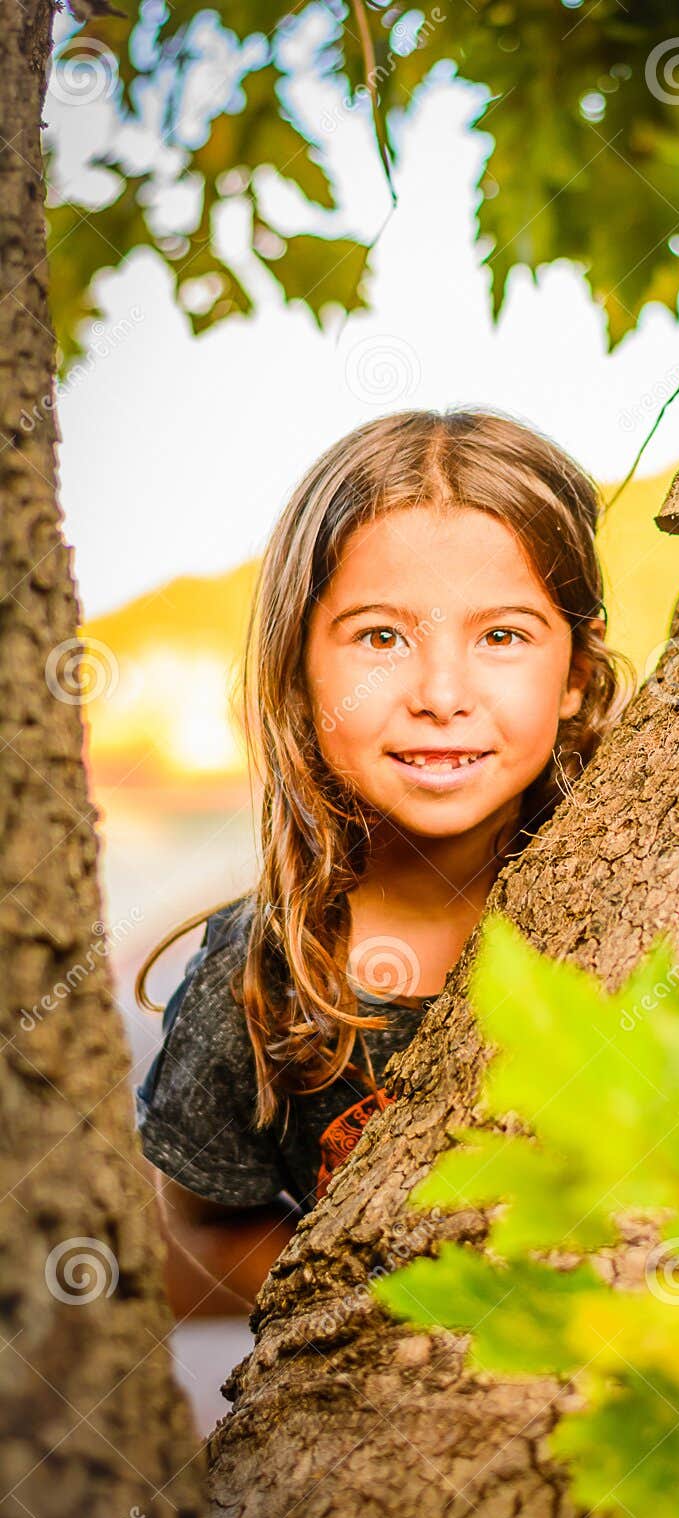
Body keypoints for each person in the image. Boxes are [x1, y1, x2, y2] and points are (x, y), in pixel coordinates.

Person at [133, 407, 635, 1319]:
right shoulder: (256, 977)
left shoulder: (649, 896)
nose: (441, 695)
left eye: (503, 636)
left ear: (574, 673)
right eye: (380, 637)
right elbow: (203, 1232)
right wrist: (369, 1298)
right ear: (298, 669)